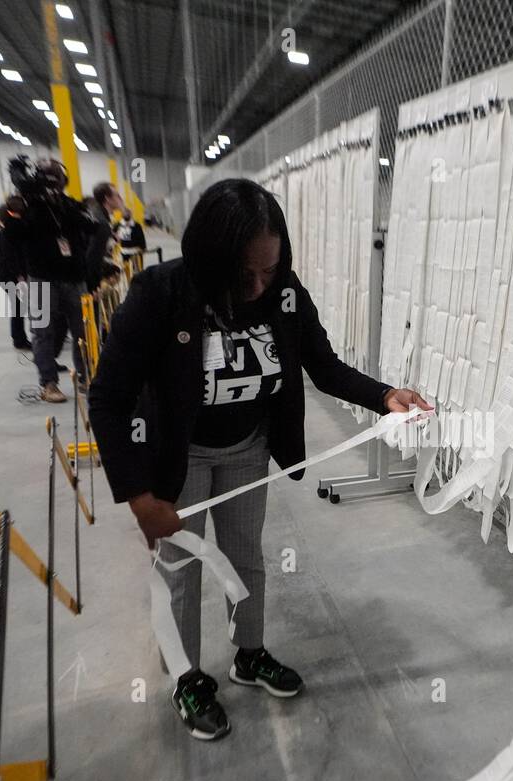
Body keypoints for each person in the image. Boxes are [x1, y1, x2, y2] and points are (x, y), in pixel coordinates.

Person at [88, 179, 432, 741]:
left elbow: (323, 364)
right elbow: (107, 397)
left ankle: (249, 654)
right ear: (207, 257)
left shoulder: (283, 293)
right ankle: (187, 677)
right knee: (180, 569)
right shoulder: (160, 294)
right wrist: (138, 496)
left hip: (247, 448)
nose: (257, 286)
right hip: (182, 457)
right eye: (243, 274)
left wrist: (383, 395)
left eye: (269, 271)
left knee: (247, 558)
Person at [18, 158, 95, 403]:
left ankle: (85, 377)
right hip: (41, 277)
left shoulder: (69, 206)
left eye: (57, 180)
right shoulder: (29, 207)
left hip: (73, 276)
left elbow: (89, 227)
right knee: (42, 332)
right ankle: (48, 383)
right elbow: (18, 231)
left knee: (82, 330)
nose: (53, 186)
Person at [0, 195, 31, 351]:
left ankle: (18, 337)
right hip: (12, 276)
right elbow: (11, 257)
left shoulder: (5, 231)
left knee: (18, 307)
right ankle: (19, 339)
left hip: (8, 275)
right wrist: (20, 276)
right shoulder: (11, 232)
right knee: (18, 308)